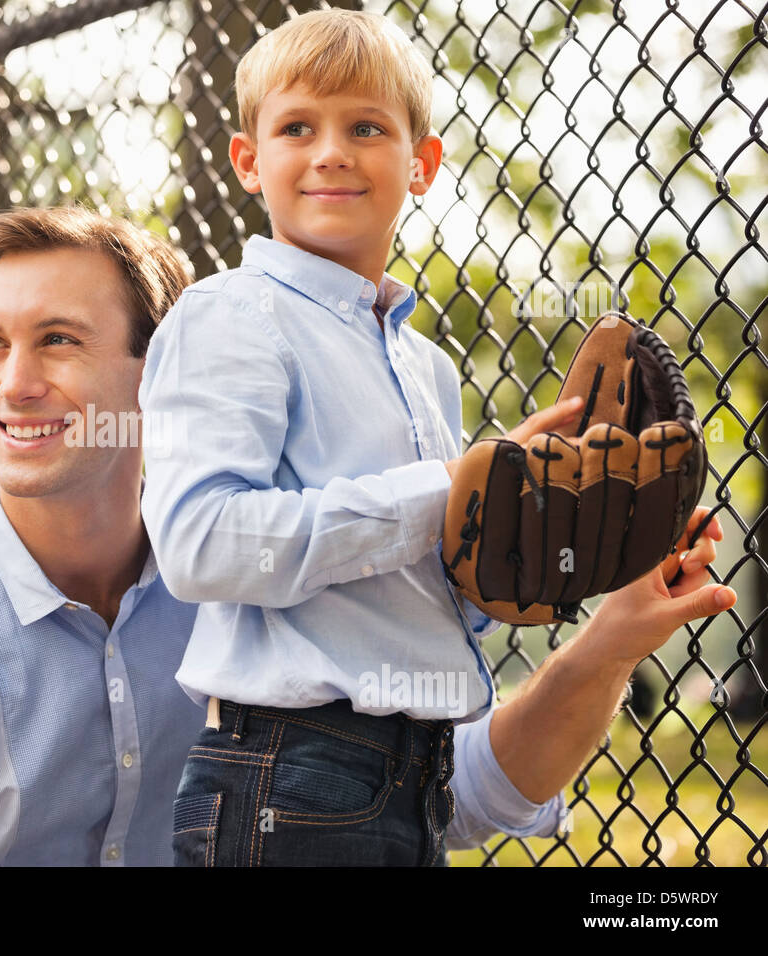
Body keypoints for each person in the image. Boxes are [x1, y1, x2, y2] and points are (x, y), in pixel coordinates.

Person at [0, 205, 733, 866]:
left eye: (57, 340)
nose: (10, 383)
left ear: (163, 372)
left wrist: (615, 638)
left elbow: (458, 792)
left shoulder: (263, 575)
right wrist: (441, 492)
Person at [136, 9, 734, 866]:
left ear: (422, 165)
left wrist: (520, 537)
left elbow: (406, 587)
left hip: (413, 771)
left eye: (366, 127)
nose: (332, 150)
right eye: (297, 126)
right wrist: (447, 492)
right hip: (285, 770)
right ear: (247, 161)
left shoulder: (426, 366)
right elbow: (199, 544)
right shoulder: (232, 314)